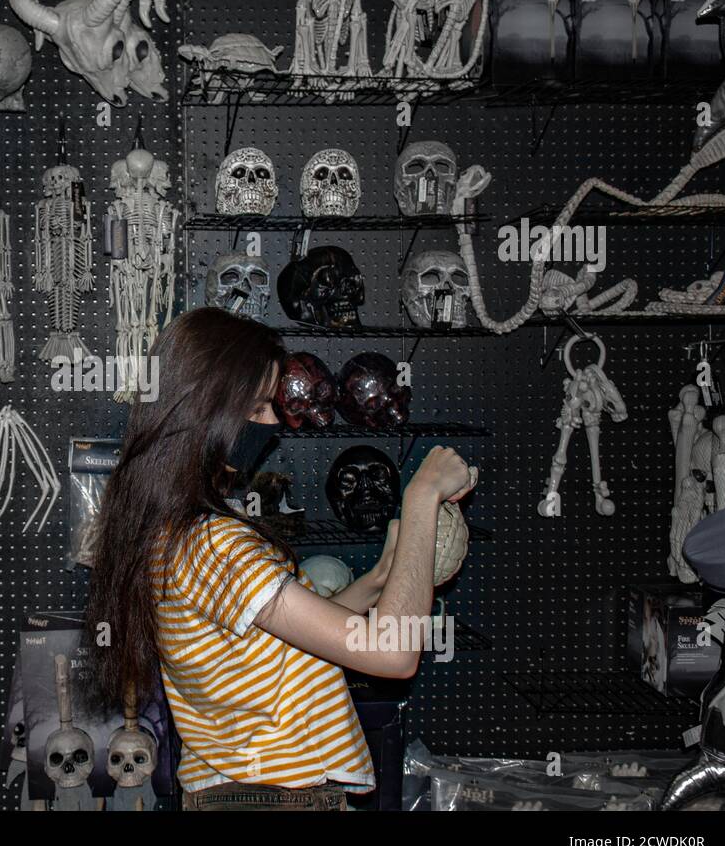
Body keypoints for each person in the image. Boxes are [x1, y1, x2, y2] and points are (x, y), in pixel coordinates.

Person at [84, 307, 476, 811]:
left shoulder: (177, 530)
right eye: (257, 408)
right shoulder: (214, 544)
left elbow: (289, 634)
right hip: (271, 798)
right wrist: (421, 495)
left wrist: (381, 577)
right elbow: (394, 655)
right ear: (208, 412)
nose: (271, 423)